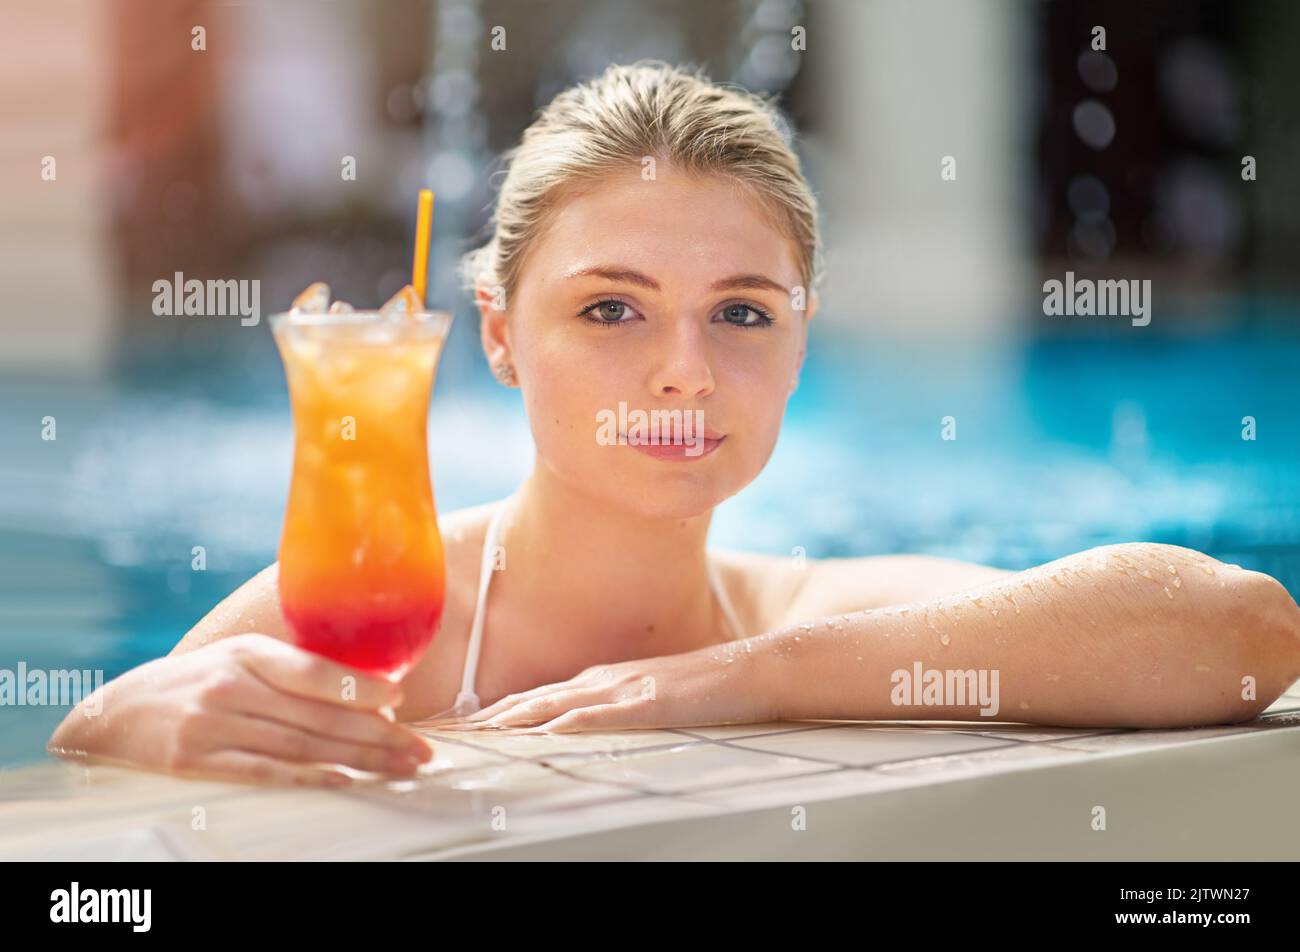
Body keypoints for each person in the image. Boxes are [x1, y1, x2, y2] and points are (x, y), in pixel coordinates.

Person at [48, 61, 1300, 787]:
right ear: (496, 333)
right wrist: (116, 721)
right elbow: (87, 786)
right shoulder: (383, 618)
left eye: (743, 316)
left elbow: (1241, 632)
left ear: (803, 342)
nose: (684, 374)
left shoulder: (799, 625)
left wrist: (740, 680)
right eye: (610, 309)